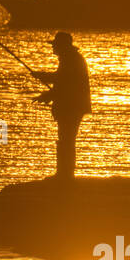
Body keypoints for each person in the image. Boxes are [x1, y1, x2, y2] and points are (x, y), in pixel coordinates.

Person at [35, 31, 91, 179]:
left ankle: (64, 175)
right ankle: (64, 174)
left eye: (55, 45)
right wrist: (47, 94)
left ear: (62, 46)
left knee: (66, 139)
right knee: (66, 139)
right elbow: (63, 84)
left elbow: (63, 82)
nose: (53, 48)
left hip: (71, 107)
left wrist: (43, 77)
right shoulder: (70, 59)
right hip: (72, 106)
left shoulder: (71, 60)